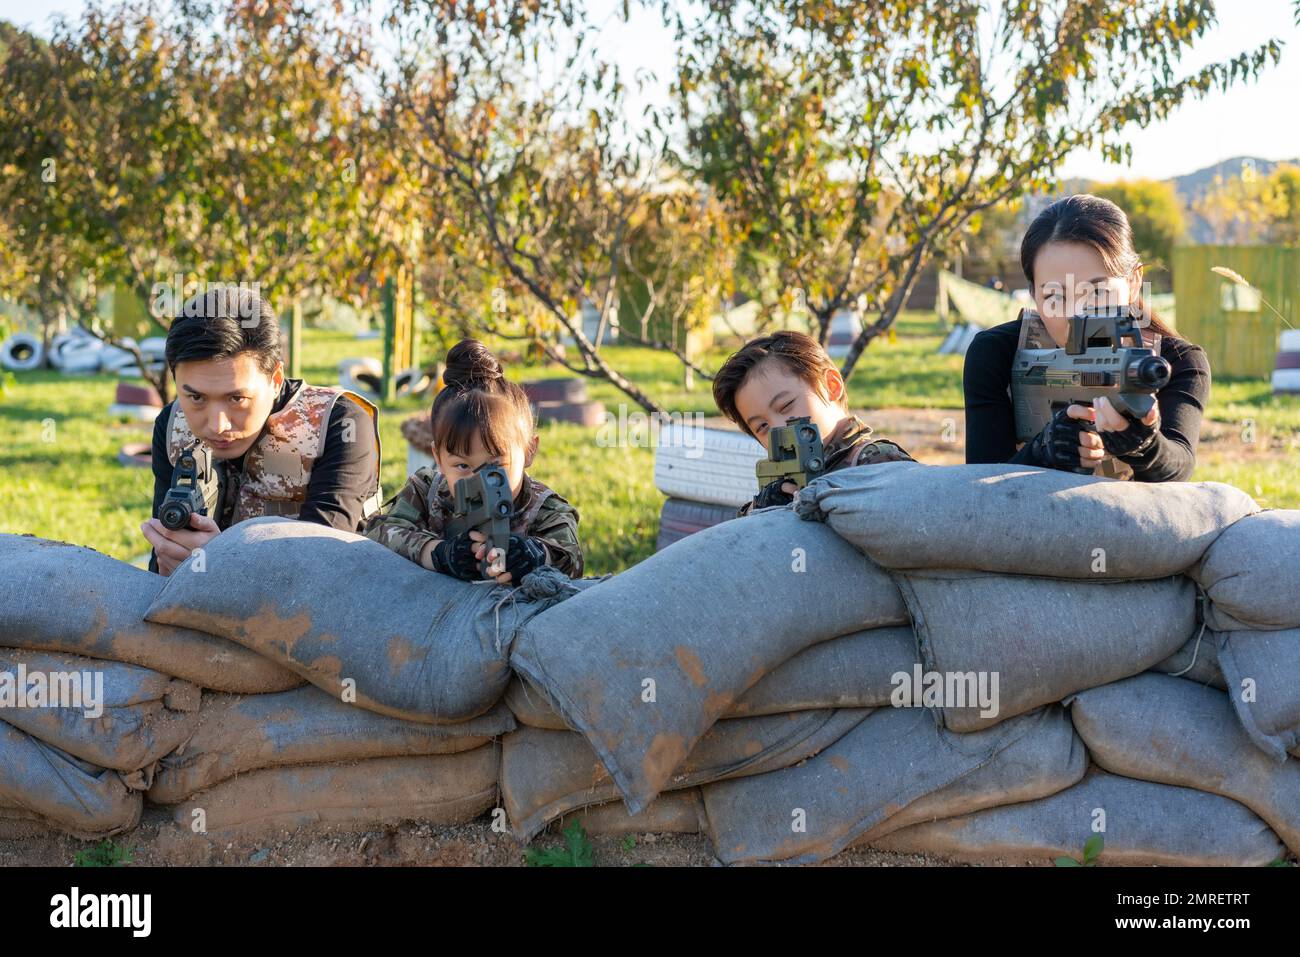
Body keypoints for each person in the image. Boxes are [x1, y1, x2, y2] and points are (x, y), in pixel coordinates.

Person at [963, 194, 1210, 482]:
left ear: (1133, 284)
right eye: (1056, 296)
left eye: (1098, 292)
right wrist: (1043, 450)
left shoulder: (1175, 361)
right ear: (1033, 294)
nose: (1078, 313)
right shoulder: (996, 353)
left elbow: (1179, 467)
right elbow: (980, 484)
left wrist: (1144, 445)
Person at [143, 286, 382, 575]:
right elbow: (163, 559)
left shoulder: (341, 424)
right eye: (196, 397)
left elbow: (320, 566)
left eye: (236, 399)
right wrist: (170, 557)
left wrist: (221, 562)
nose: (218, 424)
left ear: (275, 379)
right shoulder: (172, 423)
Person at [363, 338, 584, 582]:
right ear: (438, 457)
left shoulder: (545, 508)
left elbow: (571, 559)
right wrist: (438, 554)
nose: (479, 480)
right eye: (462, 465)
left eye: (496, 467)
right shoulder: (426, 492)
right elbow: (378, 533)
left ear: (529, 450)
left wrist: (535, 556)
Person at [711, 330, 915, 518]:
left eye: (786, 405)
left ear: (831, 386)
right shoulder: (782, 484)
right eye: (762, 427)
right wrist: (762, 510)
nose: (779, 429)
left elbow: (918, 529)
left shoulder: (875, 461)